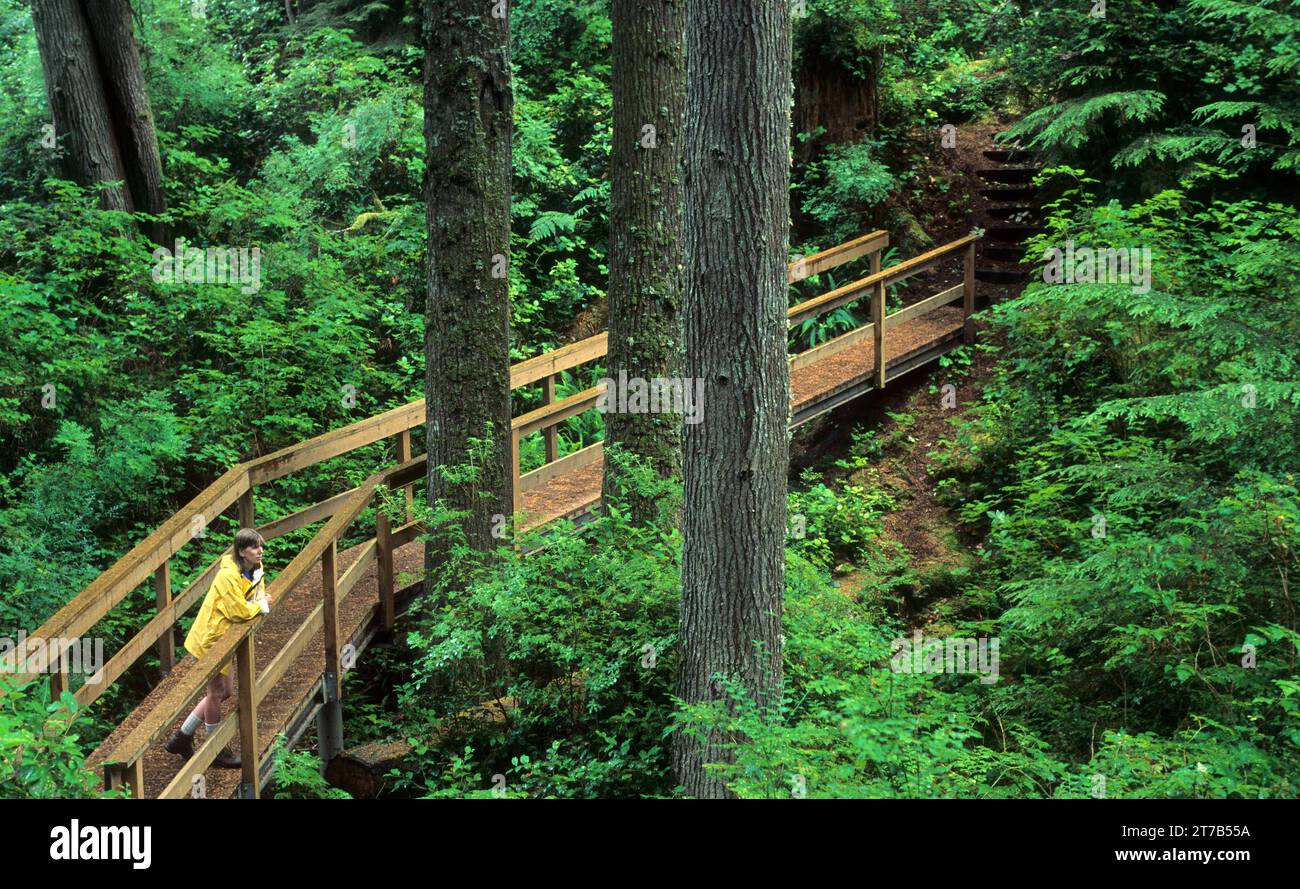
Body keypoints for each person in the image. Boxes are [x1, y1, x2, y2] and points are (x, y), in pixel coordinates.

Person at [165, 528, 272, 768]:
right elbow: (239, 610)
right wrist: (261, 605)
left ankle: (182, 737)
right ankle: (216, 750)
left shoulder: (254, 570)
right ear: (242, 551)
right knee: (215, 693)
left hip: (224, 637)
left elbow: (258, 596)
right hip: (210, 639)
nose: (260, 551)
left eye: (261, 546)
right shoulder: (227, 575)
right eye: (255, 547)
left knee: (225, 692)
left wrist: (259, 601)